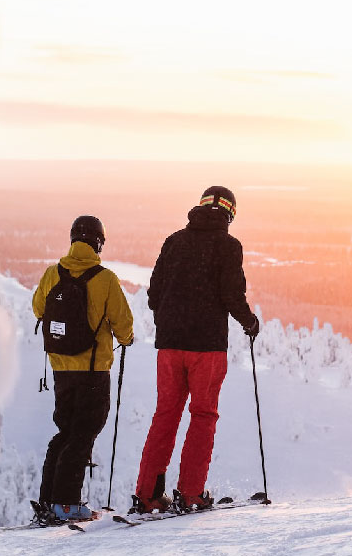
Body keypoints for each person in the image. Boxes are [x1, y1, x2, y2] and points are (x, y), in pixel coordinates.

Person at [133, 186, 260, 513]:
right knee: (202, 416)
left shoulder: (175, 241)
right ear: (230, 214)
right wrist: (249, 322)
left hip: (170, 345)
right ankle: (190, 494)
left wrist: (168, 319)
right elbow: (231, 294)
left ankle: (147, 495)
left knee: (166, 415)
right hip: (206, 347)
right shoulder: (228, 246)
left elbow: (153, 293)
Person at [32, 215, 134, 521]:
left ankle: (50, 499)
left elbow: (39, 307)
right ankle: (66, 503)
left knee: (65, 431)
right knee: (84, 433)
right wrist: (127, 339)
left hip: (61, 368)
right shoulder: (105, 279)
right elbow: (123, 323)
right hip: (92, 370)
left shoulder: (53, 273)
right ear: (98, 242)